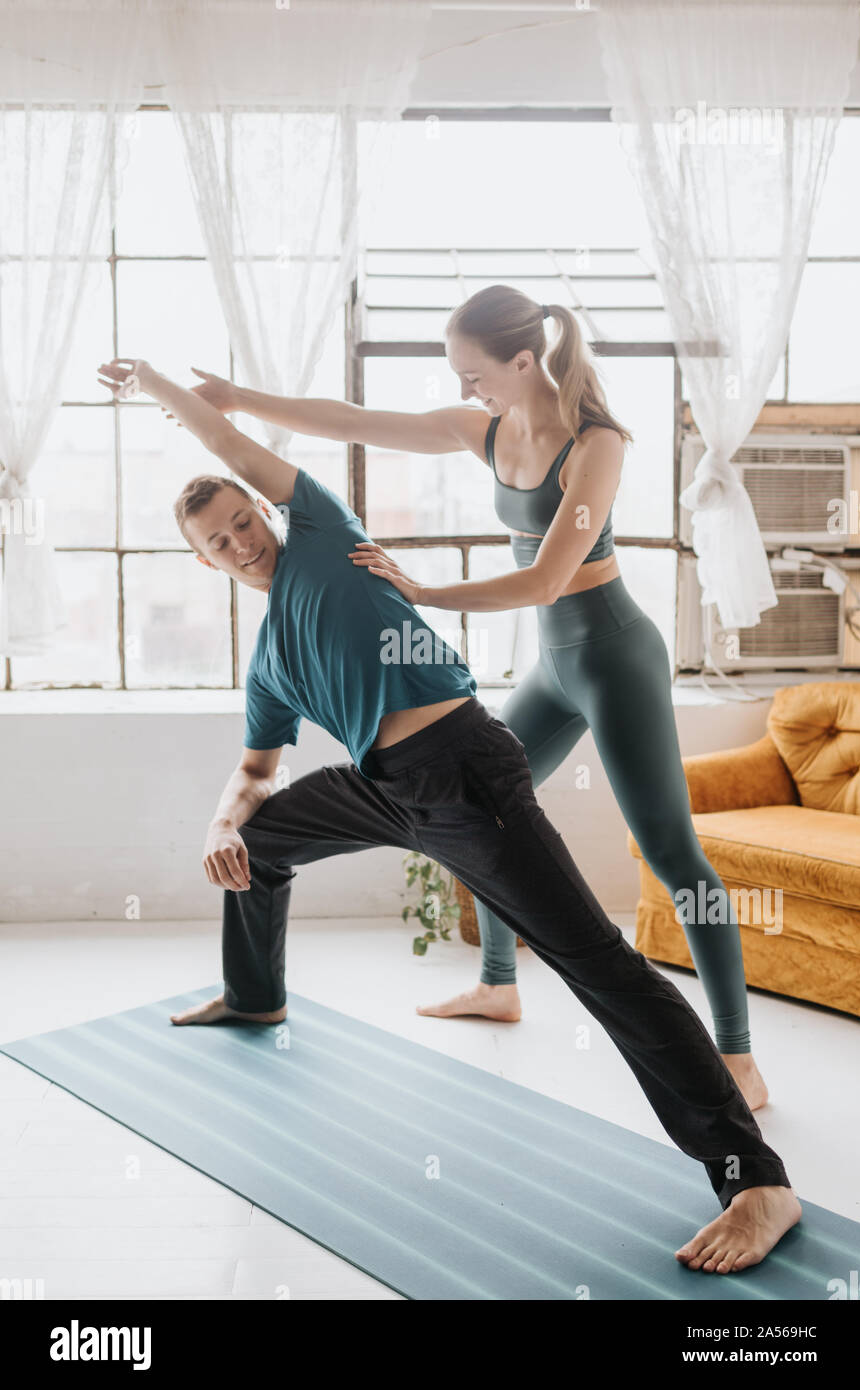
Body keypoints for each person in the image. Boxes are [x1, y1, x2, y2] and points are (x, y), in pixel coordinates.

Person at [95, 353, 799, 1274]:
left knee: (597, 964)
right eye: (218, 542)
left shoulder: (321, 532)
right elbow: (255, 770)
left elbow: (228, 441)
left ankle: (755, 1181)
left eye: (242, 521)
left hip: (461, 770)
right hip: (383, 786)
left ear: (265, 511)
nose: (240, 542)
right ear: (203, 561)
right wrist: (221, 824)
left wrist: (156, 383)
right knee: (257, 845)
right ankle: (256, 995)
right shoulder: (267, 660)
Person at [181, 285, 768, 1113]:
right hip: (553, 664)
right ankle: (498, 985)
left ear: (522, 361)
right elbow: (352, 420)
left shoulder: (596, 444)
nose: (463, 388)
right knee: (489, 818)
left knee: (672, 853)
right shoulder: (484, 430)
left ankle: (736, 1053)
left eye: (472, 373)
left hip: (614, 657)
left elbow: (546, 579)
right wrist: (240, 399)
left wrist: (423, 592)